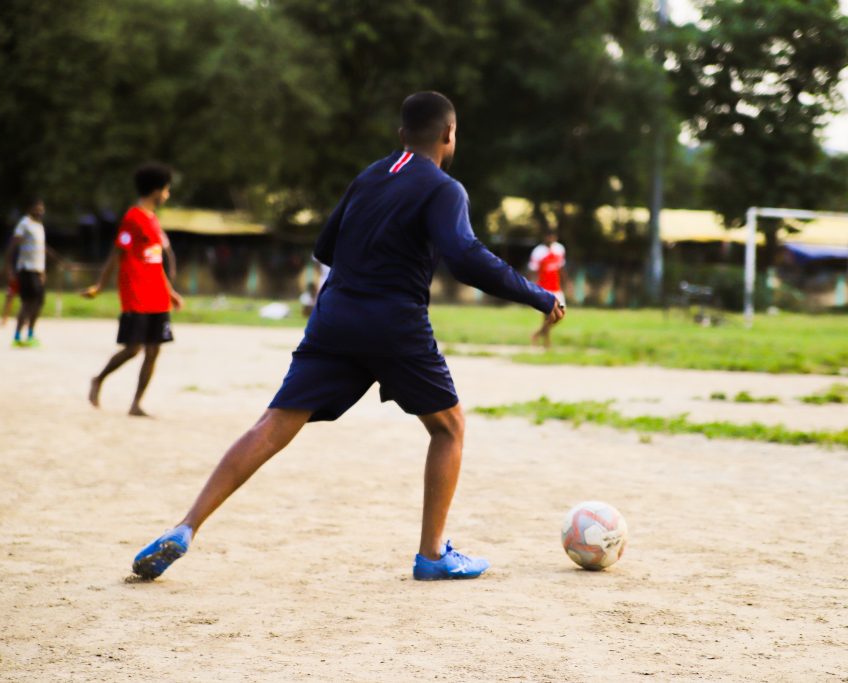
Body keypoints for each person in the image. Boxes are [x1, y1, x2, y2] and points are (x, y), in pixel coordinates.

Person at [131, 91, 565, 582]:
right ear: (449, 133)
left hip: (334, 316)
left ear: (402, 135)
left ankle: (186, 525)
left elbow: (325, 247)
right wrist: (538, 295)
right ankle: (432, 556)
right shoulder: (445, 189)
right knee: (448, 429)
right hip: (395, 322)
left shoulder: (370, 175)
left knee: (271, 425)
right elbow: (465, 257)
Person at [83, 162, 184, 417]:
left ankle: (136, 404)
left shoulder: (153, 219)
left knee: (154, 350)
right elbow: (116, 254)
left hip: (157, 295)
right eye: (166, 189)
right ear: (156, 190)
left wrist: (170, 291)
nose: (167, 194)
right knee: (133, 348)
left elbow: (156, 261)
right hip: (137, 294)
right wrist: (100, 285)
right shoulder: (133, 218)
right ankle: (98, 379)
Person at [5, 198, 52, 346]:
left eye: (42, 208)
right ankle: (17, 336)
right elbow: (12, 246)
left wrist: (43, 271)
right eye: (37, 208)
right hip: (26, 269)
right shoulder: (24, 224)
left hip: (38, 270)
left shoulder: (39, 226)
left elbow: (41, 249)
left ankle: (30, 334)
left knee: (39, 302)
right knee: (28, 302)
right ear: (29, 208)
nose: (40, 211)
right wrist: (9, 268)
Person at [528, 230, 568, 348]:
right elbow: (533, 270)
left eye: (552, 237)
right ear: (545, 237)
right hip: (544, 289)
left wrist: (566, 282)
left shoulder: (559, 249)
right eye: (549, 237)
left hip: (556, 288)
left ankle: (537, 334)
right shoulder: (538, 252)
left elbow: (561, 268)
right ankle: (547, 343)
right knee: (548, 315)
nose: (551, 239)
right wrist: (531, 287)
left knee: (561, 312)